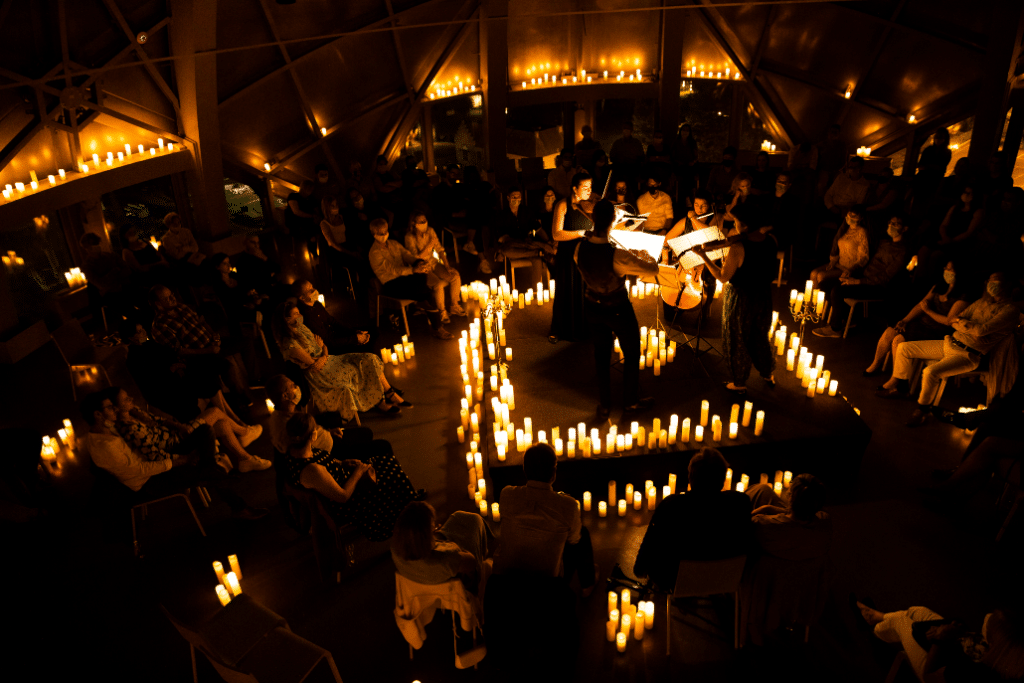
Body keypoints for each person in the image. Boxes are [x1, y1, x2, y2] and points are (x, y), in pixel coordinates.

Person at [81, 389, 265, 519]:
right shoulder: (106, 444)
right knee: (210, 470)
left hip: (156, 465)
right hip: (149, 482)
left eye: (114, 406)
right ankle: (233, 497)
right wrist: (182, 460)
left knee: (205, 433)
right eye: (109, 408)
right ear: (98, 414)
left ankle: (214, 470)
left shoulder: (109, 428)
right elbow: (141, 469)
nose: (114, 409)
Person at [880, 272, 1020, 427]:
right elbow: (953, 320)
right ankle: (902, 386)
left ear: (1007, 285)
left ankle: (923, 410)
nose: (991, 284)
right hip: (950, 342)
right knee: (904, 347)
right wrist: (967, 326)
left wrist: (965, 325)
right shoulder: (981, 302)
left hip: (968, 354)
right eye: (990, 280)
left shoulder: (1010, 310)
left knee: (930, 372)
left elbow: (981, 331)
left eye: (996, 281)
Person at [575, 200, 658, 417]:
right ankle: (630, 402)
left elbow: (583, 267)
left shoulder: (579, 247)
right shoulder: (617, 254)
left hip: (592, 307)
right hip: (618, 309)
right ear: (614, 220)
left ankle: (604, 405)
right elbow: (652, 268)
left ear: (593, 219)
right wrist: (640, 253)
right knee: (631, 353)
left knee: (601, 356)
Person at [281, 413, 419, 542]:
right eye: (315, 428)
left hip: (344, 479)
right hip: (347, 501)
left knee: (387, 461)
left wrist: (344, 463)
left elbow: (327, 462)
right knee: (393, 478)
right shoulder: (312, 470)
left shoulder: (298, 451)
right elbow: (343, 496)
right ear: (312, 436)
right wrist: (358, 473)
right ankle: (409, 516)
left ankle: (409, 501)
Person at [633, 448, 752, 590]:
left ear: (690, 477)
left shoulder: (672, 506)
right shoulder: (740, 503)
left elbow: (650, 546)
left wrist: (640, 569)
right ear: (722, 481)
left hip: (674, 580)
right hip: (727, 578)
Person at [272, 300, 407, 421]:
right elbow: (315, 365)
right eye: (295, 314)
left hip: (329, 360)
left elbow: (323, 346)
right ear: (286, 320)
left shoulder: (301, 328)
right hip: (322, 374)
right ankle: (380, 401)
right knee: (358, 368)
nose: (299, 316)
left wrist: (322, 352)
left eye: (298, 312)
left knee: (370, 359)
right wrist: (322, 352)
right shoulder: (290, 344)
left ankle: (387, 393)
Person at [694, 203, 777, 393]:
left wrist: (704, 257)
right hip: (763, 296)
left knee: (737, 338)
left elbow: (723, 277)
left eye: (737, 222)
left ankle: (739, 382)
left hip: (741, 298)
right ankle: (767, 373)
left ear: (744, 225)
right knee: (759, 335)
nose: (735, 225)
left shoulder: (739, 247)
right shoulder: (771, 240)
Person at [494, 444, 598, 595]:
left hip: (507, 581)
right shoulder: (568, 506)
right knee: (582, 534)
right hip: (547, 587)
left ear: (524, 469)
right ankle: (587, 584)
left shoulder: (507, 495)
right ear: (554, 473)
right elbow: (574, 540)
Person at [109, 385, 270, 472]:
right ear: (116, 408)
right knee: (214, 411)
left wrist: (178, 426)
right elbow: (154, 454)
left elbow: (159, 420)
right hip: (176, 445)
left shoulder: (135, 413)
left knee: (222, 424)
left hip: (178, 433)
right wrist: (185, 458)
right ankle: (245, 433)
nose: (130, 399)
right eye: (125, 400)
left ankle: (245, 459)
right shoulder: (129, 429)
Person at [855, 603, 1024, 682]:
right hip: (959, 649)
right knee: (917, 611)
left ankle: (876, 627)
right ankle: (878, 617)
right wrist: (959, 632)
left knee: (900, 621)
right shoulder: (1012, 662)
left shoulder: (973, 674)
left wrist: (940, 639)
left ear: (995, 647)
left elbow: (929, 677)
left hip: (936, 666)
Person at [811, 215, 912, 338]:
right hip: (863, 277)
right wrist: (852, 271)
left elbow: (886, 276)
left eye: (896, 224)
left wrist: (857, 282)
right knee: (825, 283)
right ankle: (846, 318)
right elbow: (868, 262)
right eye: (890, 222)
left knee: (837, 290)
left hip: (876, 286)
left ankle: (835, 328)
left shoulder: (903, 251)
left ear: (905, 228)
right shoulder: (884, 242)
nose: (891, 226)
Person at [863, 260, 969, 377]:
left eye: (951, 270)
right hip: (922, 324)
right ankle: (875, 364)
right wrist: (905, 320)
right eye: (946, 268)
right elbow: (921, 305)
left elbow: (948, 321)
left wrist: (928, 311)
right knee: (890, 332)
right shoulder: (939, 287)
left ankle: (897, 377)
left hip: (938, 331)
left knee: (898, 340)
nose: (947, 272)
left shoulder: (963, 297)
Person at [149, 285, 251, 405]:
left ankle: (255, 379)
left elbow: (202, 322)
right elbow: (179, 351)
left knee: (246, 341)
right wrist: (209, 350)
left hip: (212, 343)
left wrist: (215, 337)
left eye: (171, 294)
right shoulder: (160, 326)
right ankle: (239, 397)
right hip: (198, 355)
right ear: (158, 304)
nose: (172, 298)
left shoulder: (181, 307)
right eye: (167, 298)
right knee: (227, 367)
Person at [367, 218, 453, 339]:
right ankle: (437, 327)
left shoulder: (393, 244)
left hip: (405, 279)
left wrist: (419, 263)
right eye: (381, 233)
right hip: (392, 285)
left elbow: (407, 255)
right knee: (427, 293)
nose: (384, 234)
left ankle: (426, 308)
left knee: (424, 279)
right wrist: (413, 270)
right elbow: (392, 270)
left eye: (386, 231)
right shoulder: (374, 252)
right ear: (374, 234)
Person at [392, 501, 492, 591]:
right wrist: (453, 547)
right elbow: (471, 561)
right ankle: (484, 554)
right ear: (425, 539)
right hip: (455, 582)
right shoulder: (445, 561)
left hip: (422, 571)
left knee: (458, 516)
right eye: (432, 528)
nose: (436, 527)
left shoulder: (396, 549)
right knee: (476, 521)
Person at [265, 374, 374, 456]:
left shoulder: (286, 413)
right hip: (331, 450)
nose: (297, 387)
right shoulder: (288, 426)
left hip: (328, 438)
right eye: (292, 386)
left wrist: (329, 432)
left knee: (367, 432)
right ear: (285, 396)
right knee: (377, 444)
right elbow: (303, 451)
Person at [549, 171, 593, 343]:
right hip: (567, 256)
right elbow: (556, 234)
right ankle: (560, 329)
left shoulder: (590, 206)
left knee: (585, 293)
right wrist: (580, 233)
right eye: (585, 187)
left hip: (586, 255)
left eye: (591, 187)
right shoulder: (563, 205)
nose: (589, 191)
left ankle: (585, 329)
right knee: (565, 291)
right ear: (575, 189)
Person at [404, 211, 465, 323]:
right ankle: (442, 312)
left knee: (454, 275)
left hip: (433, 263)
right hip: (421, 268)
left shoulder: (430, 231)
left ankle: (454, 305)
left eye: (425, 221)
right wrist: (428, 247)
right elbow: (415, 258)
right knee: (438, 283)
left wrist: (447, 266)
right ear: (414, 223)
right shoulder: (409, 237)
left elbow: (439, 249)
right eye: (421, 222)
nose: (424, 223)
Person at [293, 280, 376, 356]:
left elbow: (332, 321)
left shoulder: (316, 304)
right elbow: (328, 342)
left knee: (373, 332)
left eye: (312, 286)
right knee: (369, 346)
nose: (314, 290)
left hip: (336, 335)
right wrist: (355, 338)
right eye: (309, 290)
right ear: (302, 297)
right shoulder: (305, 317)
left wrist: (354, 331)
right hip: (330, 348)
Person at [494, 187, 554, 288]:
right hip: (515, 247)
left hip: (528, 245)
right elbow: (503, 238)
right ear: (508, 198)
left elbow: (538, 229)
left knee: (537, 260)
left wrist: (548, 241)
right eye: (514, 197)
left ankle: (535, 290)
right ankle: (539, 251)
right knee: (506, 249)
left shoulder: (527, 211)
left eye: (519, 197)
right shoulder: (502, 215)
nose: (516, 199)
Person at [809, 205, 870, 286]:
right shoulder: (844, 230)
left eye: (853, 215)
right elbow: (837, 248)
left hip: (849, 268)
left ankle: (822, 297)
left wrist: (851, 270)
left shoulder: (861, 232)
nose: (849, 217)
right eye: (848, 214)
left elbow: (863, 256)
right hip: (838, 265)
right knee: (813, 273)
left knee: (821, 276)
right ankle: (811, 297)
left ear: (860, 217)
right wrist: (833, 261)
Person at [320, 195, 366, 295]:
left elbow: (349, 234)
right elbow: (333, 243)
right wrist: (351, 253)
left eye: (336, 204)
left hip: (347, 245)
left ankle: (364, 284)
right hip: (336, 251)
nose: (336, 207)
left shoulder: (341, 217)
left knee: (364, 257)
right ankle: (359, 288)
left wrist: (356, 248)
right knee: (356, 262)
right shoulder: (324, 223)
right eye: (332, 206)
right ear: (327, 207)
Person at [609, 122, 646, 188]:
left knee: (631, 190)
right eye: (624, 128)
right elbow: (612, 157)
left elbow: (641, 158)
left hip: (633, 173)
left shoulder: (636, 143)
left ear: (631, 130)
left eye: (628, 129)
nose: (626, 130)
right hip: (620, 172)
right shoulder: (617, 143)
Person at [285, 180, 318, 245]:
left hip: (309, 222)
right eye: (308, 188)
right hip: (296, 222)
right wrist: (312, 216)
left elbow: (316, 210)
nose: (310, 190)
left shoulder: (311, 198)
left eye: (311, 189)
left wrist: (317, 217)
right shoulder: (293, 196)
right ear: (303, 187)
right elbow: (296, 212)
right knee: (309, 231)